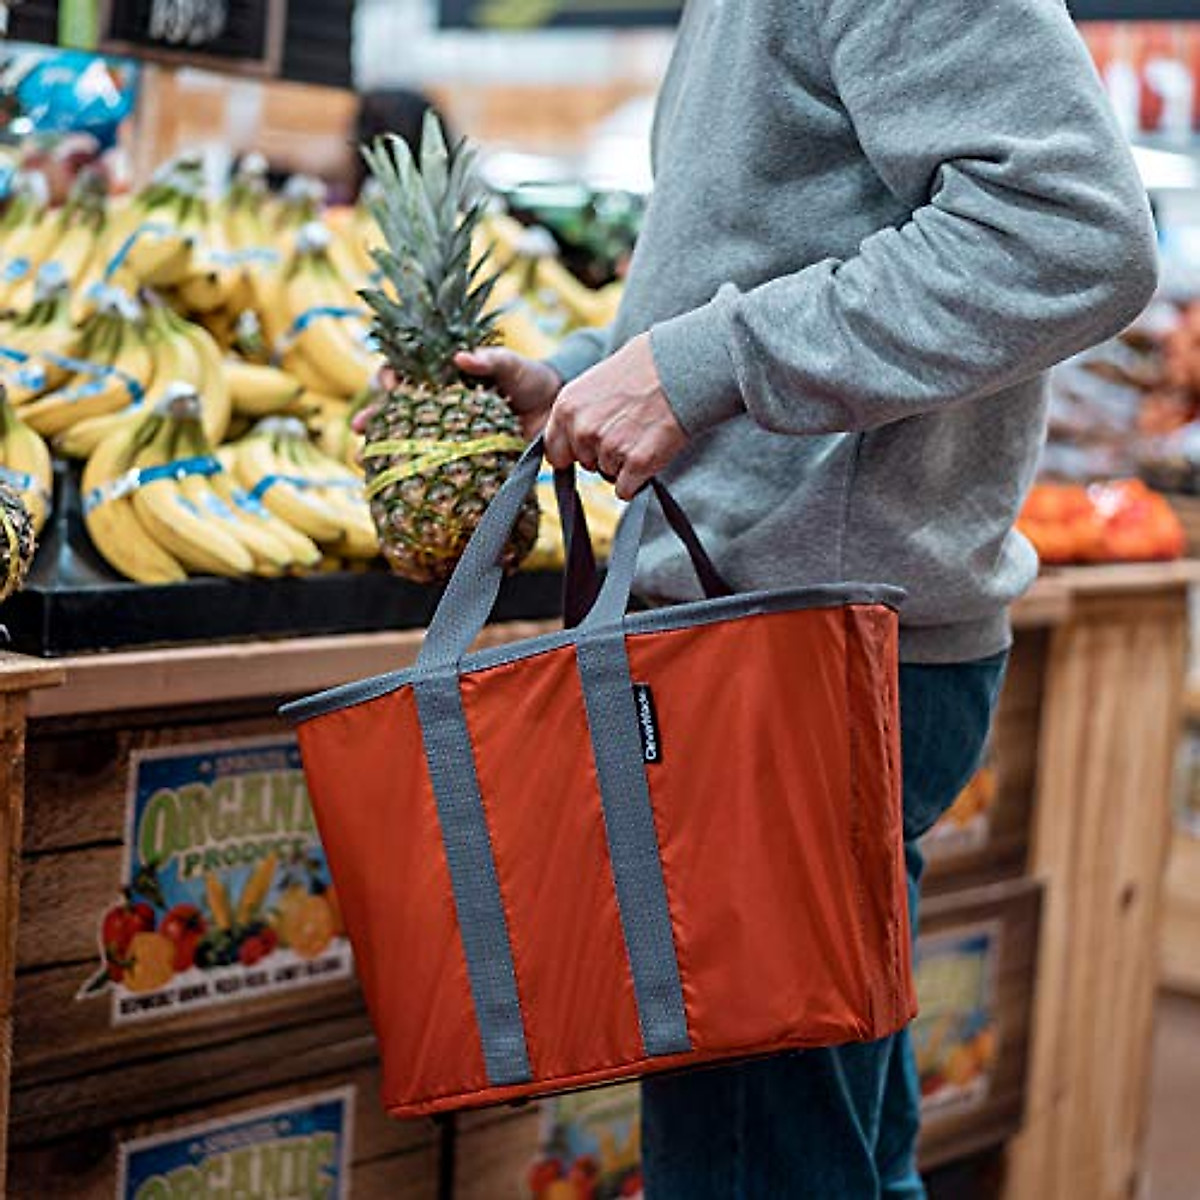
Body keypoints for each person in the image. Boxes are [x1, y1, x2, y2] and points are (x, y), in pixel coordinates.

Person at [452, 1, 1158, 1195]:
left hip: (798, 657)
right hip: (784, 635)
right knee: (831, 1152)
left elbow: (1075, 234)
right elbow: (763, 252)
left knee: (753, 1166)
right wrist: (588, 376)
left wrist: (701, 367)